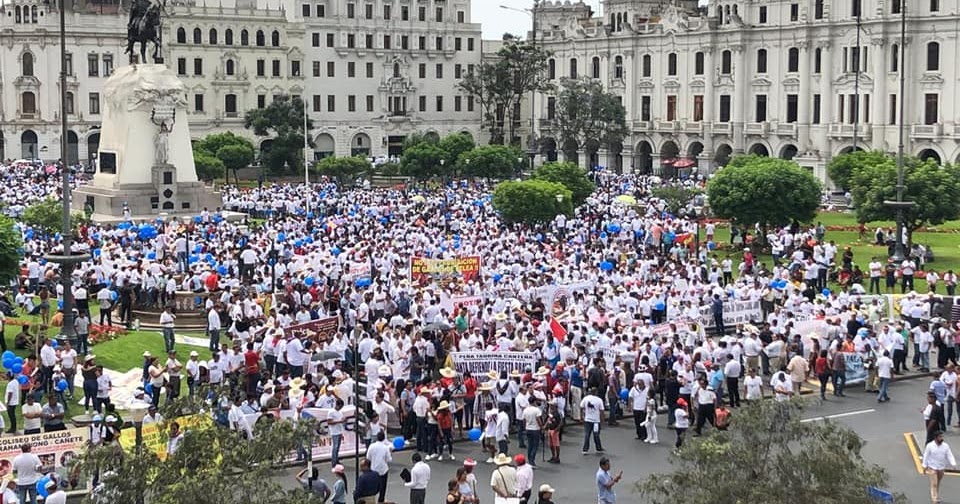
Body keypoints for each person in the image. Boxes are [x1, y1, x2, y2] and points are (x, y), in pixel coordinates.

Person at [922, 430, 957, 504]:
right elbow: (926, 456)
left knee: (937, 483)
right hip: (932, 467)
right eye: (940, 437)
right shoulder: (930, 446)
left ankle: (936, 496)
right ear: (935, 438)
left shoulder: (945, 446)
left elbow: (949, 455)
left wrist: (953, 464)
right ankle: (934, 499)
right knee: (934, 483)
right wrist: (924, 466)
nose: (942, 438)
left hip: (941, 467)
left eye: (942, 437)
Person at [364, 431, 392, 503]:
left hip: (374, 469)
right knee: (383, 486)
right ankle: (381, 500)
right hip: (383, 469)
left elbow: (368, 457)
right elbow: (389, 459)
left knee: (373, 485)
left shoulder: (371, 446)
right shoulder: (385, 448)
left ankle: (372, 499)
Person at [580, 387, 605, 454]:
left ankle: (585, 449)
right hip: (596, 421)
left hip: (587, 420)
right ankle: (598, 448)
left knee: (587, 435)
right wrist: (602, 420)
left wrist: (581, 417)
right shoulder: (599, 400)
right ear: (596, 392)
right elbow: (602, 411)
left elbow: (581, 407)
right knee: (596, 434)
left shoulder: (586, 398)